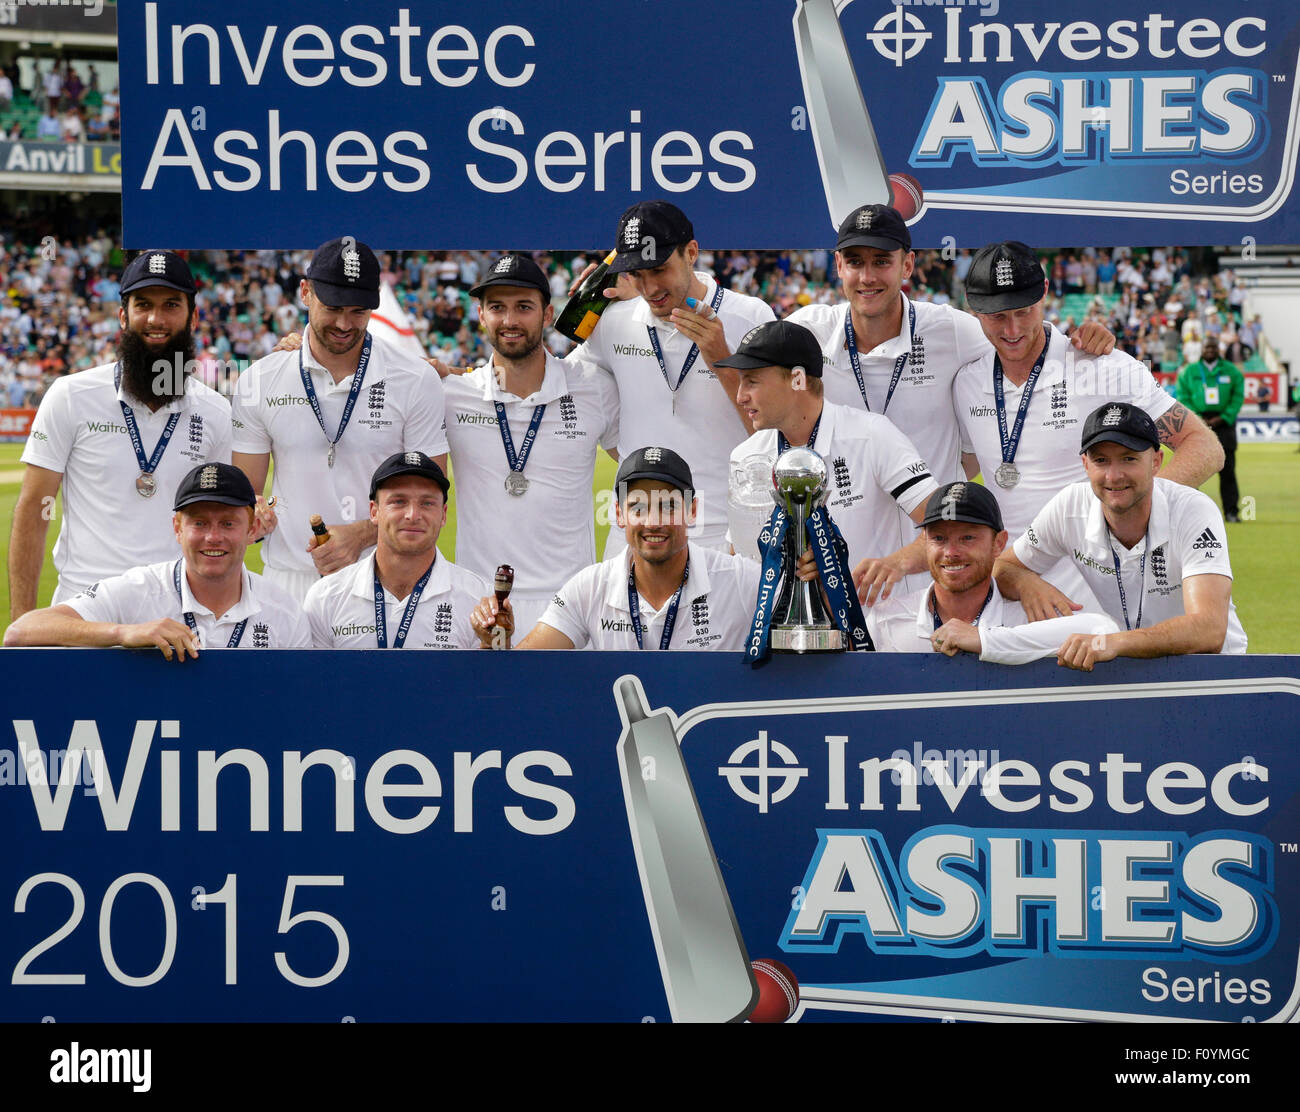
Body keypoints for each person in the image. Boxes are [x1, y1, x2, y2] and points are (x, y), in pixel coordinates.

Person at [953, 241, 1223, 618]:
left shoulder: (1103, 367)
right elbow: (965, 465)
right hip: (1013, 591)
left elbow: (1204, 445)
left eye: (1024, 311)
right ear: (973, 308)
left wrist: (1138, 510)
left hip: (1102, 604)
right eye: (997, 316)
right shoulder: (967, 381)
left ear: (1046, 292)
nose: (1012, 329)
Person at [787, 205, 1116, 493]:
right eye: (855, 262)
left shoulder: (952, 330)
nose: (867, 276)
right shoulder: (805, 332)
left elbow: (1021, 340)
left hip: (933, 545)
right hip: (843, 541)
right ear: (839, 266)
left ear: (907, 265)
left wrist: (1085, 338)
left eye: (882, 261)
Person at [8, 250, 232, 620]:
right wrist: (22, 625)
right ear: (123, 316)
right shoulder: (70, 395)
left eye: (171, 305)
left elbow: (220, 519)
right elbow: (35, 510)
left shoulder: (215, 411)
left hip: (178, 617)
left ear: (193, 316)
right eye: (143, 305)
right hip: (84, 613)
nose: (156, 319)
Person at [232, 237, 448, 603]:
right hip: (288, 583)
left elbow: (430, 496)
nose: (344, 324)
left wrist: (362, 535)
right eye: (332, 307)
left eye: (358, 311)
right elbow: (248, 495)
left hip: (385, 581)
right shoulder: (259, 379)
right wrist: (256, 515)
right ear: (305, 292)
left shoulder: (414, 377)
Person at [570, 200, 775, 553]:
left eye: (659, 269)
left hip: (723, 533)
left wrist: (721, 360)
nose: (650, 288)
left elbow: (773, 435)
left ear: (691, 252)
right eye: (637, 274)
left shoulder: (750, 317)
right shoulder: (614, 321)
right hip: (634, 535)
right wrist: (456, 375)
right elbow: (560, 381)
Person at [441, 253, 619, 632]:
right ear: (480, 315)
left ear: (548, 314)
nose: (509, 321)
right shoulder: (451, 395)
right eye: (497, 308)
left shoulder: (592, 387)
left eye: (524, 307)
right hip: (480, 605)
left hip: (571, 606)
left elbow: (639, 463)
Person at [995, 402, 1247, 670]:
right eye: (1101, 460)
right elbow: (1003, 567)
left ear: (1156, 462)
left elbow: (1209, 629)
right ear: (1085, 464)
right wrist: (1025, 583)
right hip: (1133, 667)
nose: (1113, 476)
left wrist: (1113, 642)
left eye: (1128, 458)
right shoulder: (1069, 506)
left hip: (1213, 671)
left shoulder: (1193, 509)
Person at [720, 320, 938, 600]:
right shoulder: (746, 455)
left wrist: (896, 563)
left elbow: (944, 525)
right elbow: (739, 556)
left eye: (752, 381)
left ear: (797, 379)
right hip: (777, 632)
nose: (740, 396)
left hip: (873, 629)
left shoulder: (873, 435)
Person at [4, 463, 308, 656]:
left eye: (228, 523)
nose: (213, 537)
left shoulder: (284, 611)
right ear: (177, 528)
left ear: (252, 529)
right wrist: (123, 633)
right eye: (199, 523)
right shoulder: (139, 589)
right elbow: (20, 632)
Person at [473, 446, 759, 650]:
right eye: (638, 507)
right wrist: (496, 640)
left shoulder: (740, 579)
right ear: (619, 514)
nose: (653, 522)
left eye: (668, 506)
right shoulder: (589, 587)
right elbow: (522, 670)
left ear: (692, 510)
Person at [873, 481, 1118, 661]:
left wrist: (983, 640)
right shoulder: (885, 621)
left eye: (967, 537)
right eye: (939, 538)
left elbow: (1104, 631)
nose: (951, 552)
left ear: (999, 543)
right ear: (924, 541)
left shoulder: (1028, 615)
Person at [304, 452, 483, 649]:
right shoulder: (326, 598)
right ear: (374, 512)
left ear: (443, 514)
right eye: (398, 501)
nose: (413, 515)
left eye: (427, 503)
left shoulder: (478, 599)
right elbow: (314, 679)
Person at [1175, 335, 1245, 522]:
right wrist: (1197, 417)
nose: (1210, 351)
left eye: (1214, 347)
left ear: (1218, 350)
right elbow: (1182, 396)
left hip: (1224, 426)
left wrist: (1223, 417)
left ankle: (1231, 512)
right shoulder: (1189, 372)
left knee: (1228, 472)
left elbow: (1238, 397)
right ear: (1202, 349)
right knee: (1193, 472)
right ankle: (1192, 515)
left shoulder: (1231, 371)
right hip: (1197, 426)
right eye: (1207, 348)